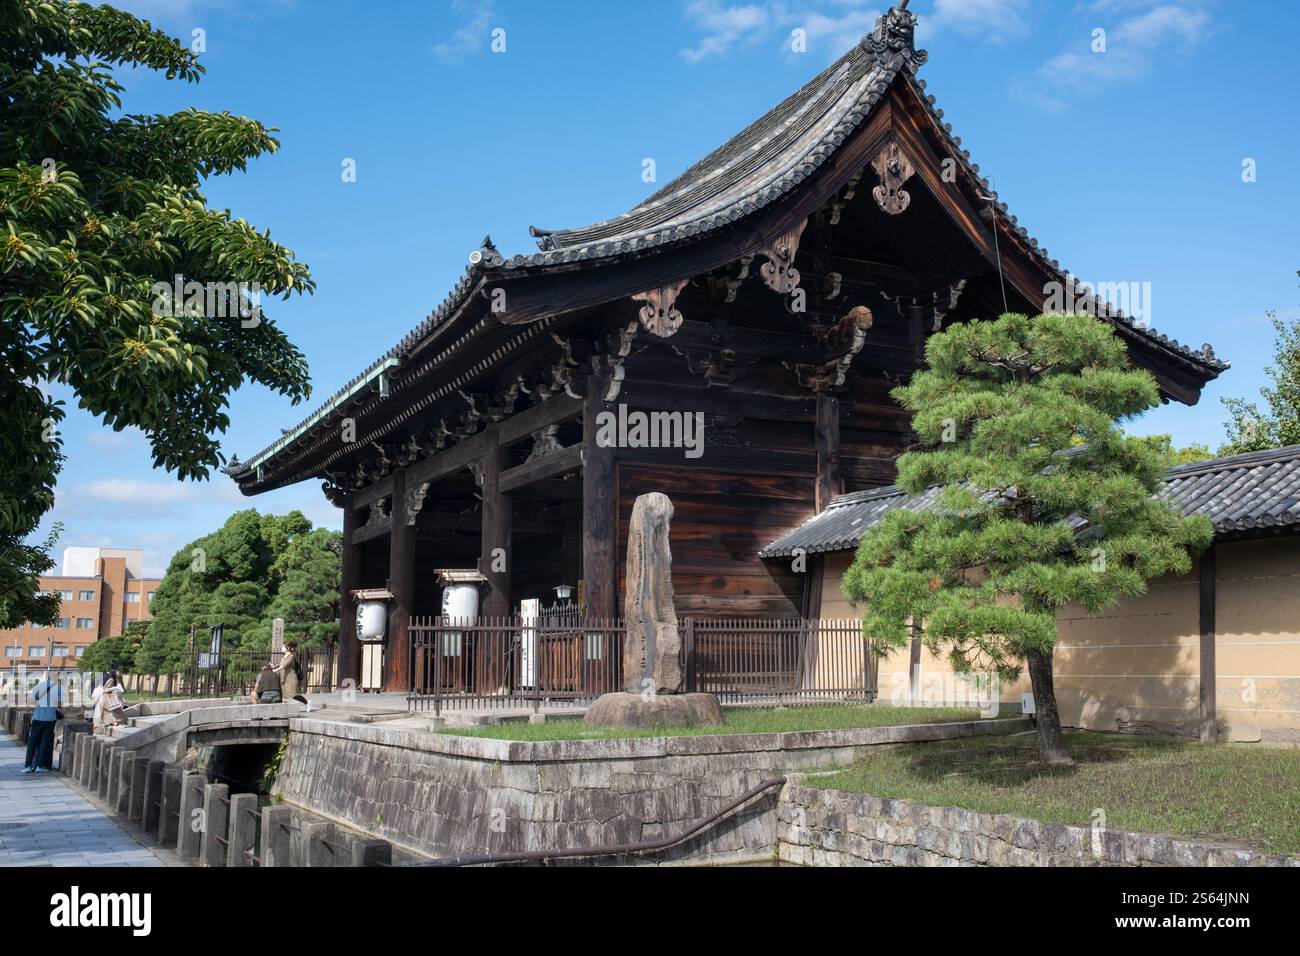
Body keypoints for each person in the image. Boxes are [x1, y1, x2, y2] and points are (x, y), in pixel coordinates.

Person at [22, 671, 63, 773]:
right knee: (45, 742)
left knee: (32, 742)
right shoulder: (58, 688)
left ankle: (28, 766)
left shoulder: (40, 685)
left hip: (37, 717)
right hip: (50, 718)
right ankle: (40, 766)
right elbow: (59, 705)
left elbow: (31, 700)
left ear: (48, 677)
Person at [90, 669, 125, 736]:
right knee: (105, 711)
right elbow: (107, 688)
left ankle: (95, 726)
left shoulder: (108, 678)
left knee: (98, 712)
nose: (118, 674)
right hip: (104, 697)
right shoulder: (110, 679)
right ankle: (99, 726)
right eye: (117, 673)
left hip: (101, 697)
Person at [275, 641, 308, 705]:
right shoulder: (283, 656)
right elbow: (281, 664)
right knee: (285, 696)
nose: (282, 648)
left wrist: (276, 669)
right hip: (284, 679)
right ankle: (286, 708)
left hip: (290, 679)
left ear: (288, 647)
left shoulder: (291, 656)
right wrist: (275, 666)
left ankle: (307, 702)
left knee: (294, 695)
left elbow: (285, 665)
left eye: (283, 647)